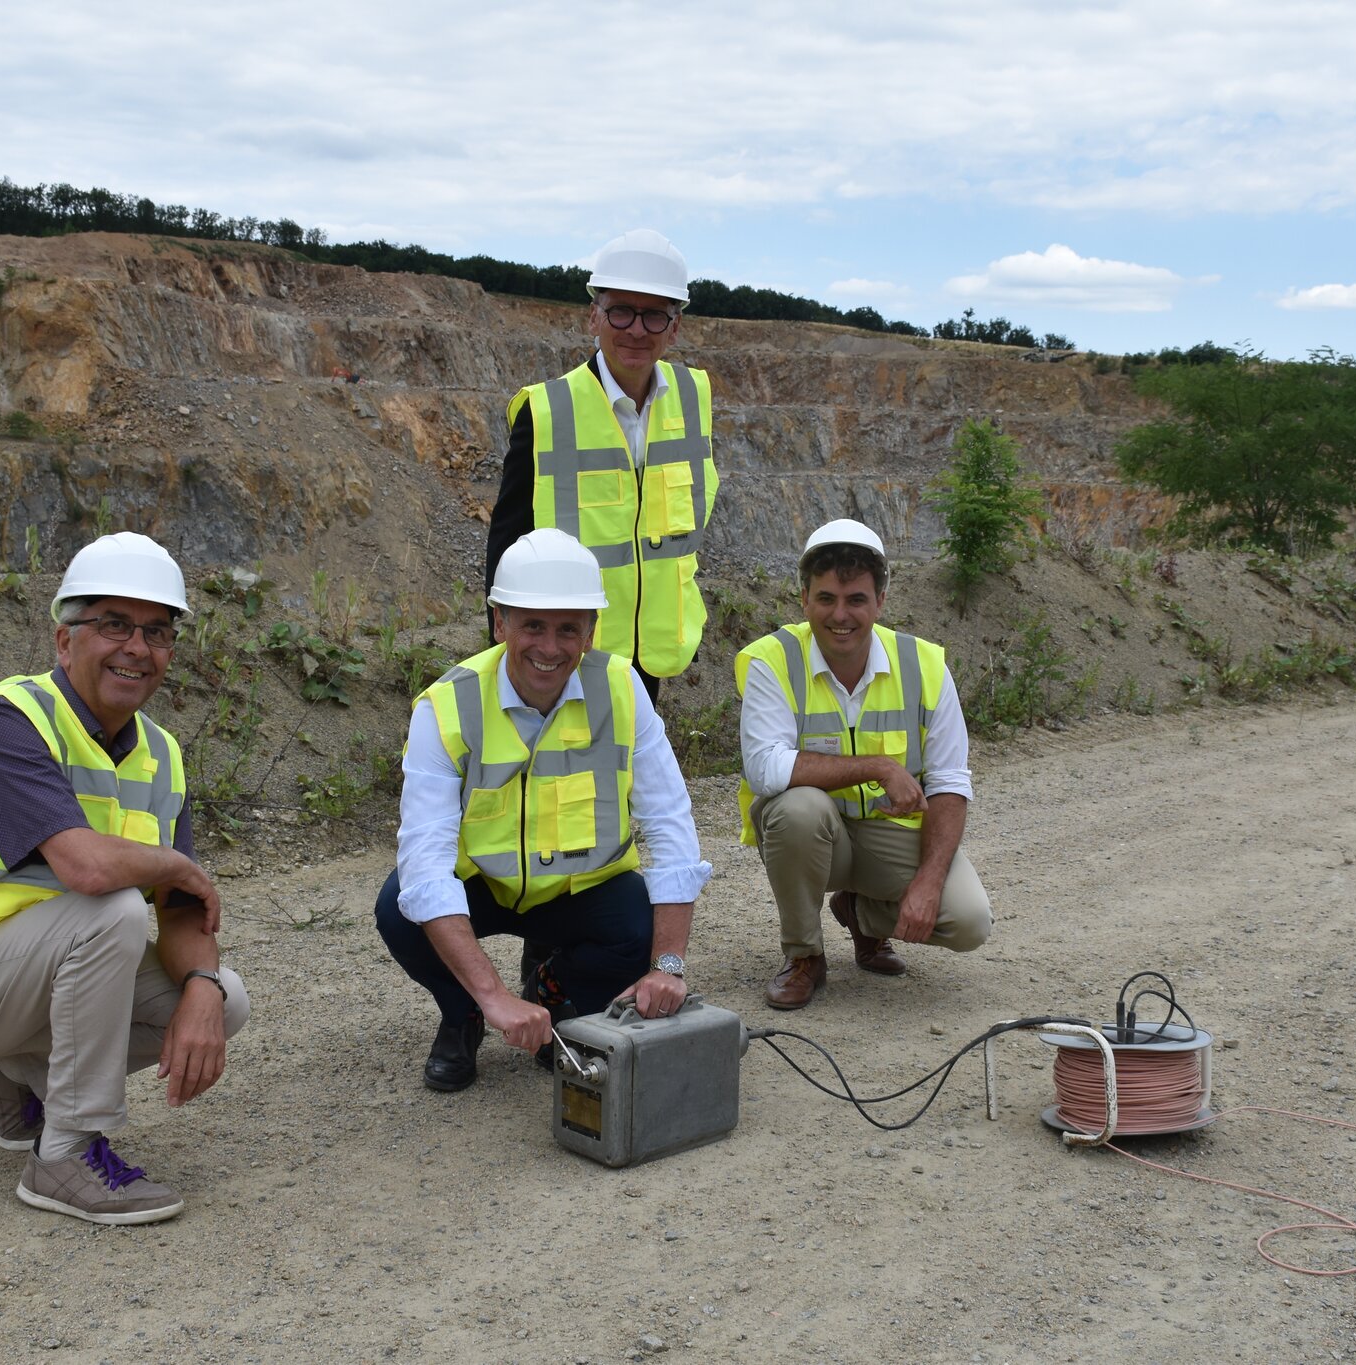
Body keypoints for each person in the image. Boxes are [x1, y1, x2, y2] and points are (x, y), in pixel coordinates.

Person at [0, 532, 248, 1225]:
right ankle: (64, 1153)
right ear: (65, 641)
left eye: (157, 631)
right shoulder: (5, 722)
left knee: (225, 1000)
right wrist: (175, 864)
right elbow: (87, 868)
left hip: (20, 978)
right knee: (112, 912)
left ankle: (10, 1071)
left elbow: (181, 913)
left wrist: (201, 987)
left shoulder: (161, 754)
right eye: (114, 625)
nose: (138, 647)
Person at [376, 528, 710, 1091]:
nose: (550, 648)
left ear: (591, 631)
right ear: (500, 623)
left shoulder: (622, 689)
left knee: (639, 923)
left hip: (579, 891)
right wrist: (493, 995)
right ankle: (466, 1012)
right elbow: (426, 866)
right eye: (532, 625)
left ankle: (553, 992)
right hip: (483, 886)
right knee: (399, 911)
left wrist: (667, 966)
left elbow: (670, 824)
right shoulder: (446, 706)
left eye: (567, 629)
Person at [736, 519, 993, 1009]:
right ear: (804, 599)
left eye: (856, 599)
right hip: (812, 836)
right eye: (826, 598)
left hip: (889, 835)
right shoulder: (772, 660)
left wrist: (928, 882)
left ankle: (860, 915)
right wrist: (879, 767)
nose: (840, 615)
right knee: (798, 809)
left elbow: (949, 781)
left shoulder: (924, 665)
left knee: (968, 921)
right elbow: (765, 768)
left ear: (880, 602)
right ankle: (804, 956)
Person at [485, 227, 718, 705]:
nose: (637, 329)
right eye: (621, 311)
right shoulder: (547, 411)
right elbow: (507, 536)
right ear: (594, 315)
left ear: (675, 327)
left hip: (651, 649)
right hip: (563, 646)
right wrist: (501, 639)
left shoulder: (693, 397)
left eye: (654, 315)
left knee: (630, 750)